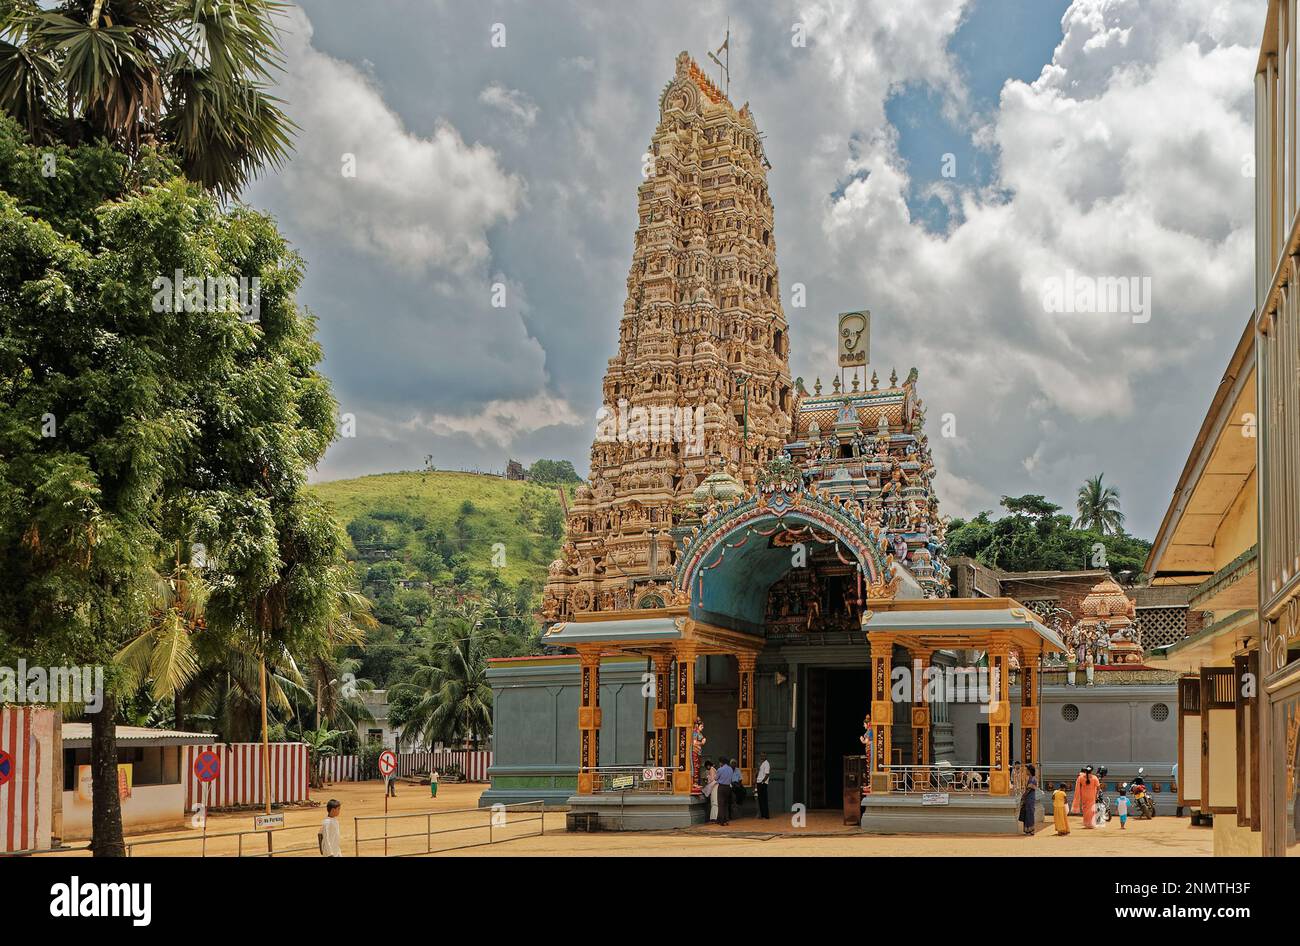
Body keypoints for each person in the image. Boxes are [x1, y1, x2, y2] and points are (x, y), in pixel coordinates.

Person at [1019, 764, 1038, 836]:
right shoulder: (1030, 778)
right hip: (1028, 799)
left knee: (1030, 813)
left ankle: (1031, 830)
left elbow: (1028, 790)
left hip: (1030, 799)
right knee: (1026, 813)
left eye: (1027, 770)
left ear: (1030, 771)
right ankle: (1027, 829)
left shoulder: (1033, 779)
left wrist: (1023, 796)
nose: (1026, 771)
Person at [715, 758, 734, 826]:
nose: (719, 764)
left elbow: (716, 778)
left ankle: (721, 820)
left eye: (720, 762)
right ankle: (726, 820)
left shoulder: (720, 769)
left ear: (722, 763)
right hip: (728, 787)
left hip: (721, 787)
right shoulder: (731, 769)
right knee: (726, 804)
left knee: (721, 804)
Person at [755, 752, 771, 819]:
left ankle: (766, 815)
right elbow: (757, 774)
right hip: (759, 782)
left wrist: (762, 782)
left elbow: (767, 774)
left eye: (764, 756)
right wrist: (758, 769)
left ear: (766, 756)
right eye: (761, 756)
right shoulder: (761, 764)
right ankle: (762, 814)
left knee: (764, 799)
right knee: (760, 800)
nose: (762, 757)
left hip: (762, 783)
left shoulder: (766, 764)